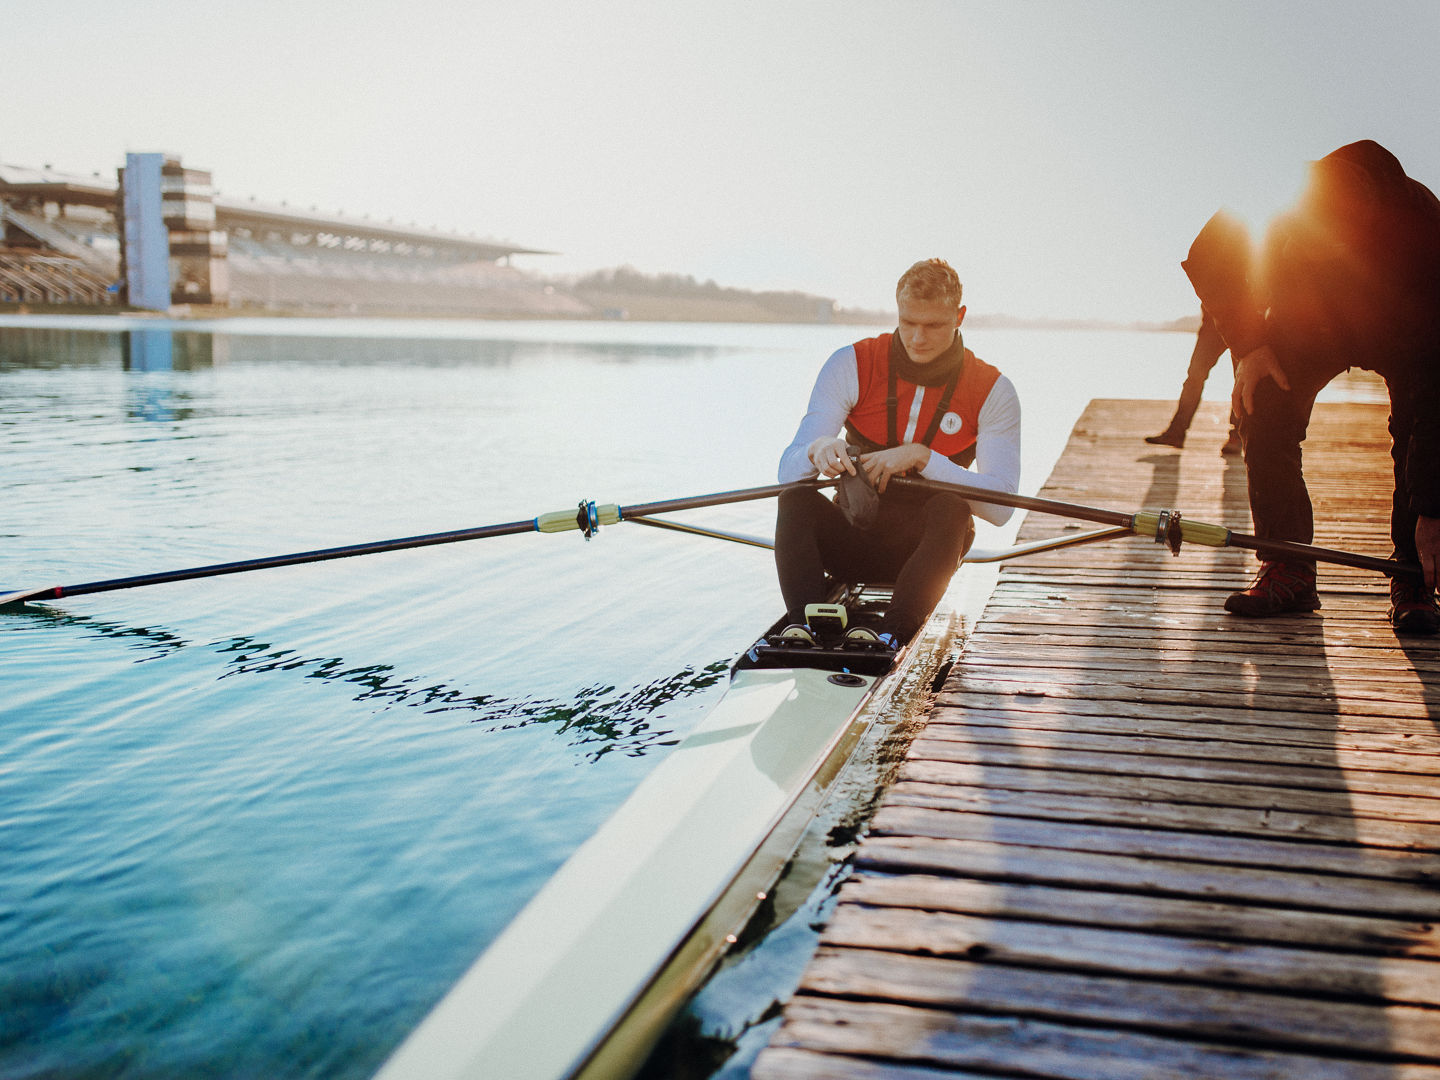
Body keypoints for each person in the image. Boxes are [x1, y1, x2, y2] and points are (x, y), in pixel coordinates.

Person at [1182, 140, 1440, 633]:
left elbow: (1437, 394)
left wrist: (1434, 508)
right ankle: (1288, 565)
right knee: (1262, 404)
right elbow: (1209, 259)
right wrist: (1250, 345)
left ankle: (1413, 575)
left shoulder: (1424, 229)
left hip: (1403, 328)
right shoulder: (1278, 195)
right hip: (1309, 322)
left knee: (1414, 429)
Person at [774, 258, 1021, 646]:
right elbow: (787, 471)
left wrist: (922, 457)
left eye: (933, 325)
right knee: (795, 499)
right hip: (852, 539)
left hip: (926, 555)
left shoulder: (992, 390)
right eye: (908, 322)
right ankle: (802, 627)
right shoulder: (850, 364)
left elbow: (1001, 508)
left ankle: (893, 634)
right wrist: (817, 450)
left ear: (960, 316)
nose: (917, 338)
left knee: (953, 509)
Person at [1144, 308, 1243, 454]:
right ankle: (1176, 433)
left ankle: (1236, 436)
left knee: (1241, 379)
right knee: (1194, 377)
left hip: (1243, 324)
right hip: (1213, 322)